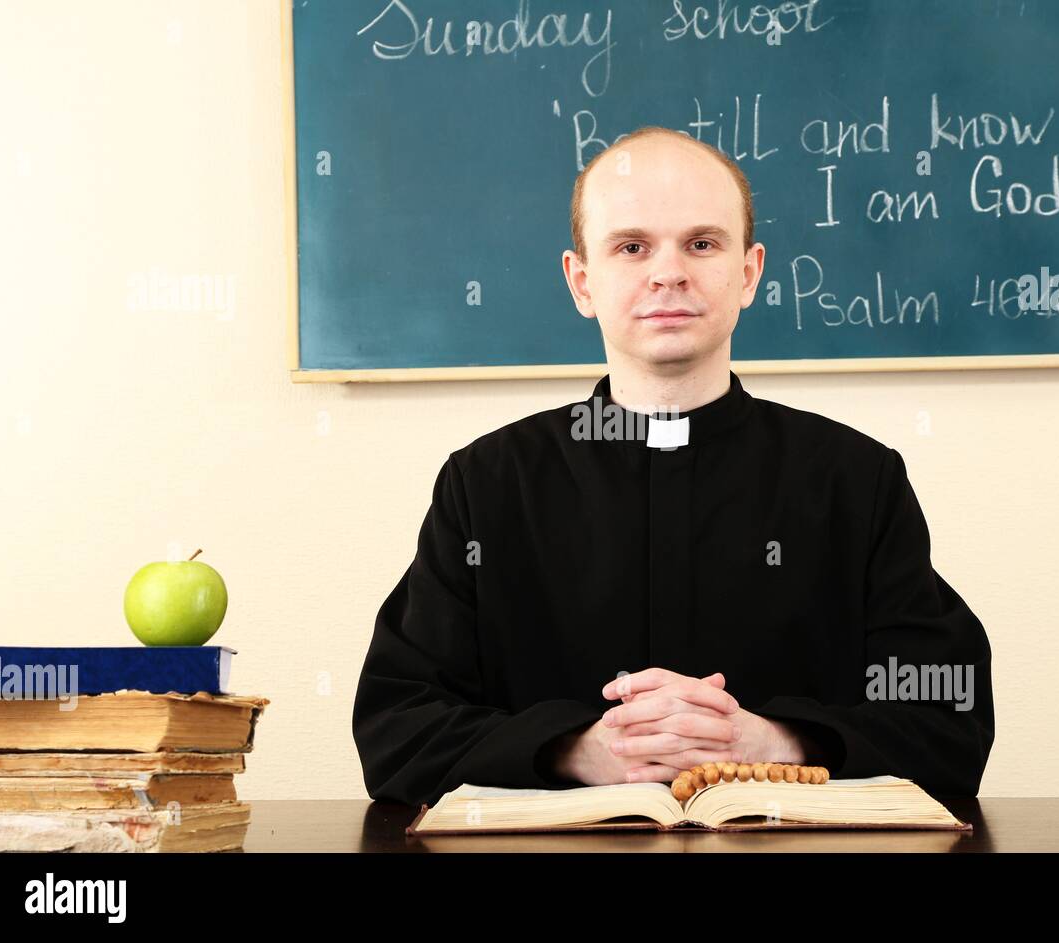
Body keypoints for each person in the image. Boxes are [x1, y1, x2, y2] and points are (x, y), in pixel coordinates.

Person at [352, 126, 994, 809]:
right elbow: (397, 732)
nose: (668, 272)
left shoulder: (857, 481)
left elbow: (947, 714)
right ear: (582, 281)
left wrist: (771, 744)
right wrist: (582, 750)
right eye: (632, 247)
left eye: (702, 243)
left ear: (748, 273)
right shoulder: (484, 486)